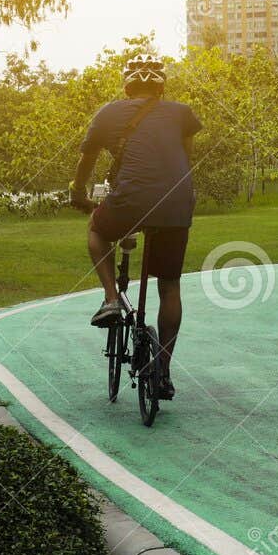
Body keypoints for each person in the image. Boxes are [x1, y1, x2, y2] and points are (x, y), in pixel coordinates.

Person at [70, 53, 201, 400]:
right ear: (161, 86)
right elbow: (185, 157)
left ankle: (112, 299)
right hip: (175, 203)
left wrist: (78, 193)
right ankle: (164, 371)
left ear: (127, 86)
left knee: (98, 232)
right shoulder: (181, 113)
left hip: (129, 201)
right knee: (169, 286)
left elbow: (87, 160)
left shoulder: (107, 113)